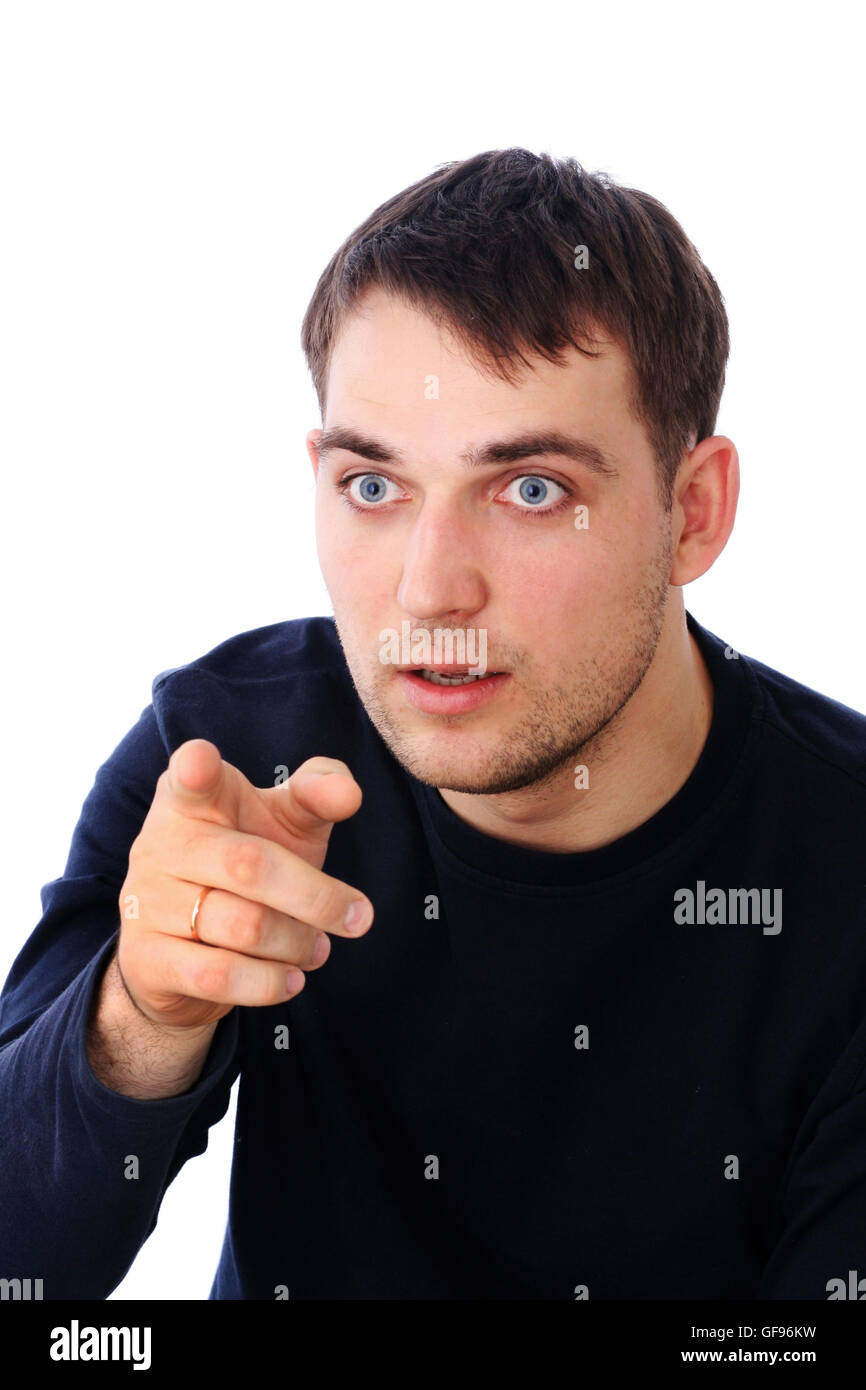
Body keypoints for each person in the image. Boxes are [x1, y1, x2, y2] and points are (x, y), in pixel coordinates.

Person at [2, 148, 865, 1301]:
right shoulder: (220, 758)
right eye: (373, 485)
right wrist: (141, 1022)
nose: (426, 592)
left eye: (528, 490)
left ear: (691, 512)